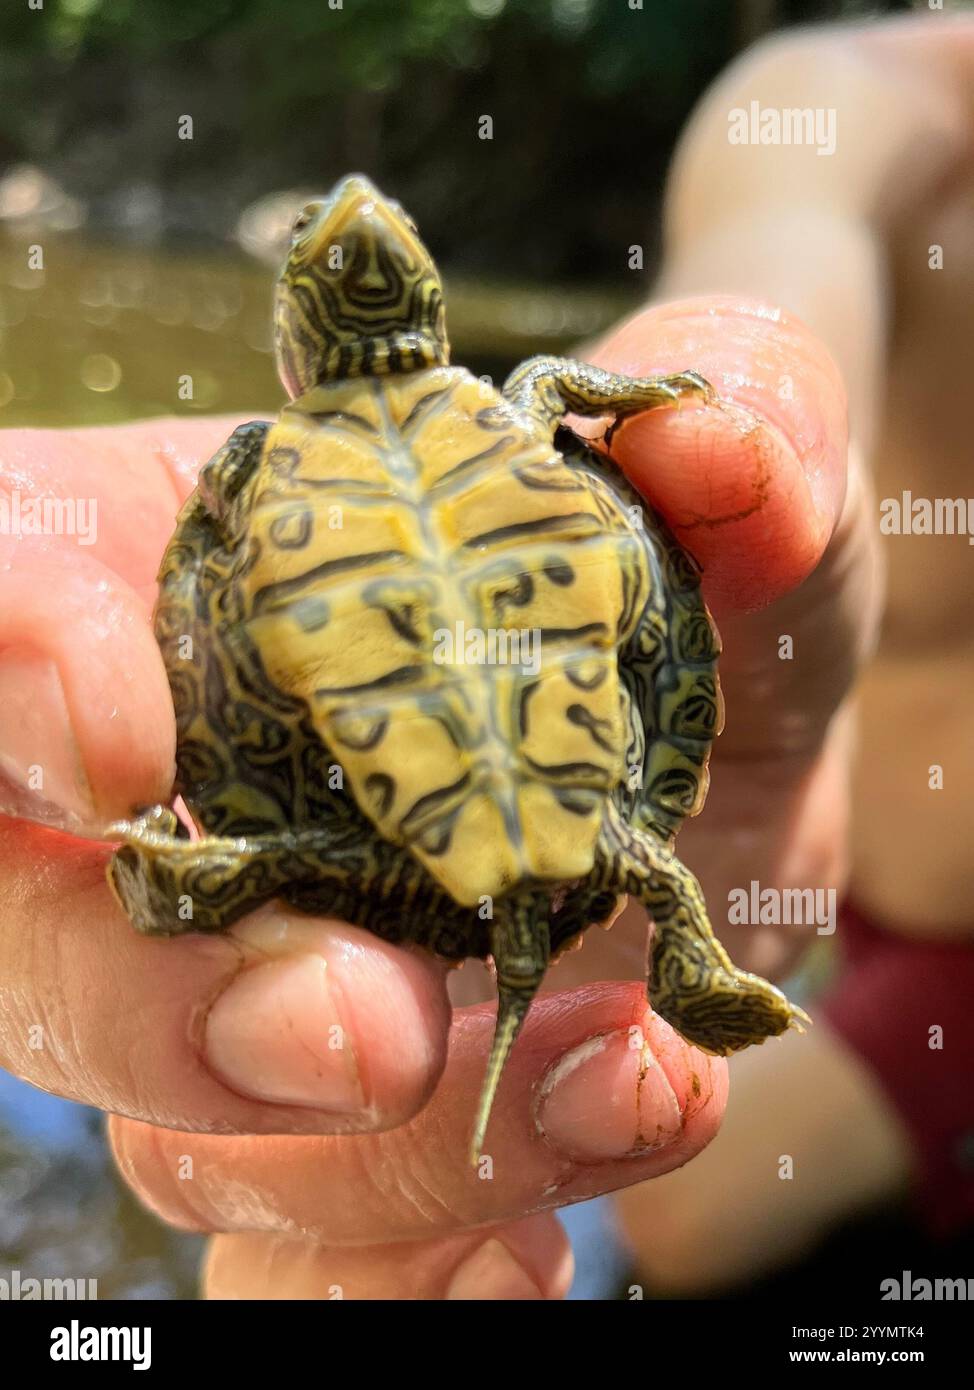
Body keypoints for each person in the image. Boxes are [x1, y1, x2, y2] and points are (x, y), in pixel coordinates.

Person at [0, 12, 969, 1298]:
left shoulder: (270, 469)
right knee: (621, 1149)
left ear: (302, 336)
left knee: (678, 1207)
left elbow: (200, 582)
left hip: (479, 833)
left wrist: (199, 679)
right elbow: (779, 290)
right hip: (764, 868)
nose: (347, 215)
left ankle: (239, 878)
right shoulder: (852, 99)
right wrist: (751, 398)